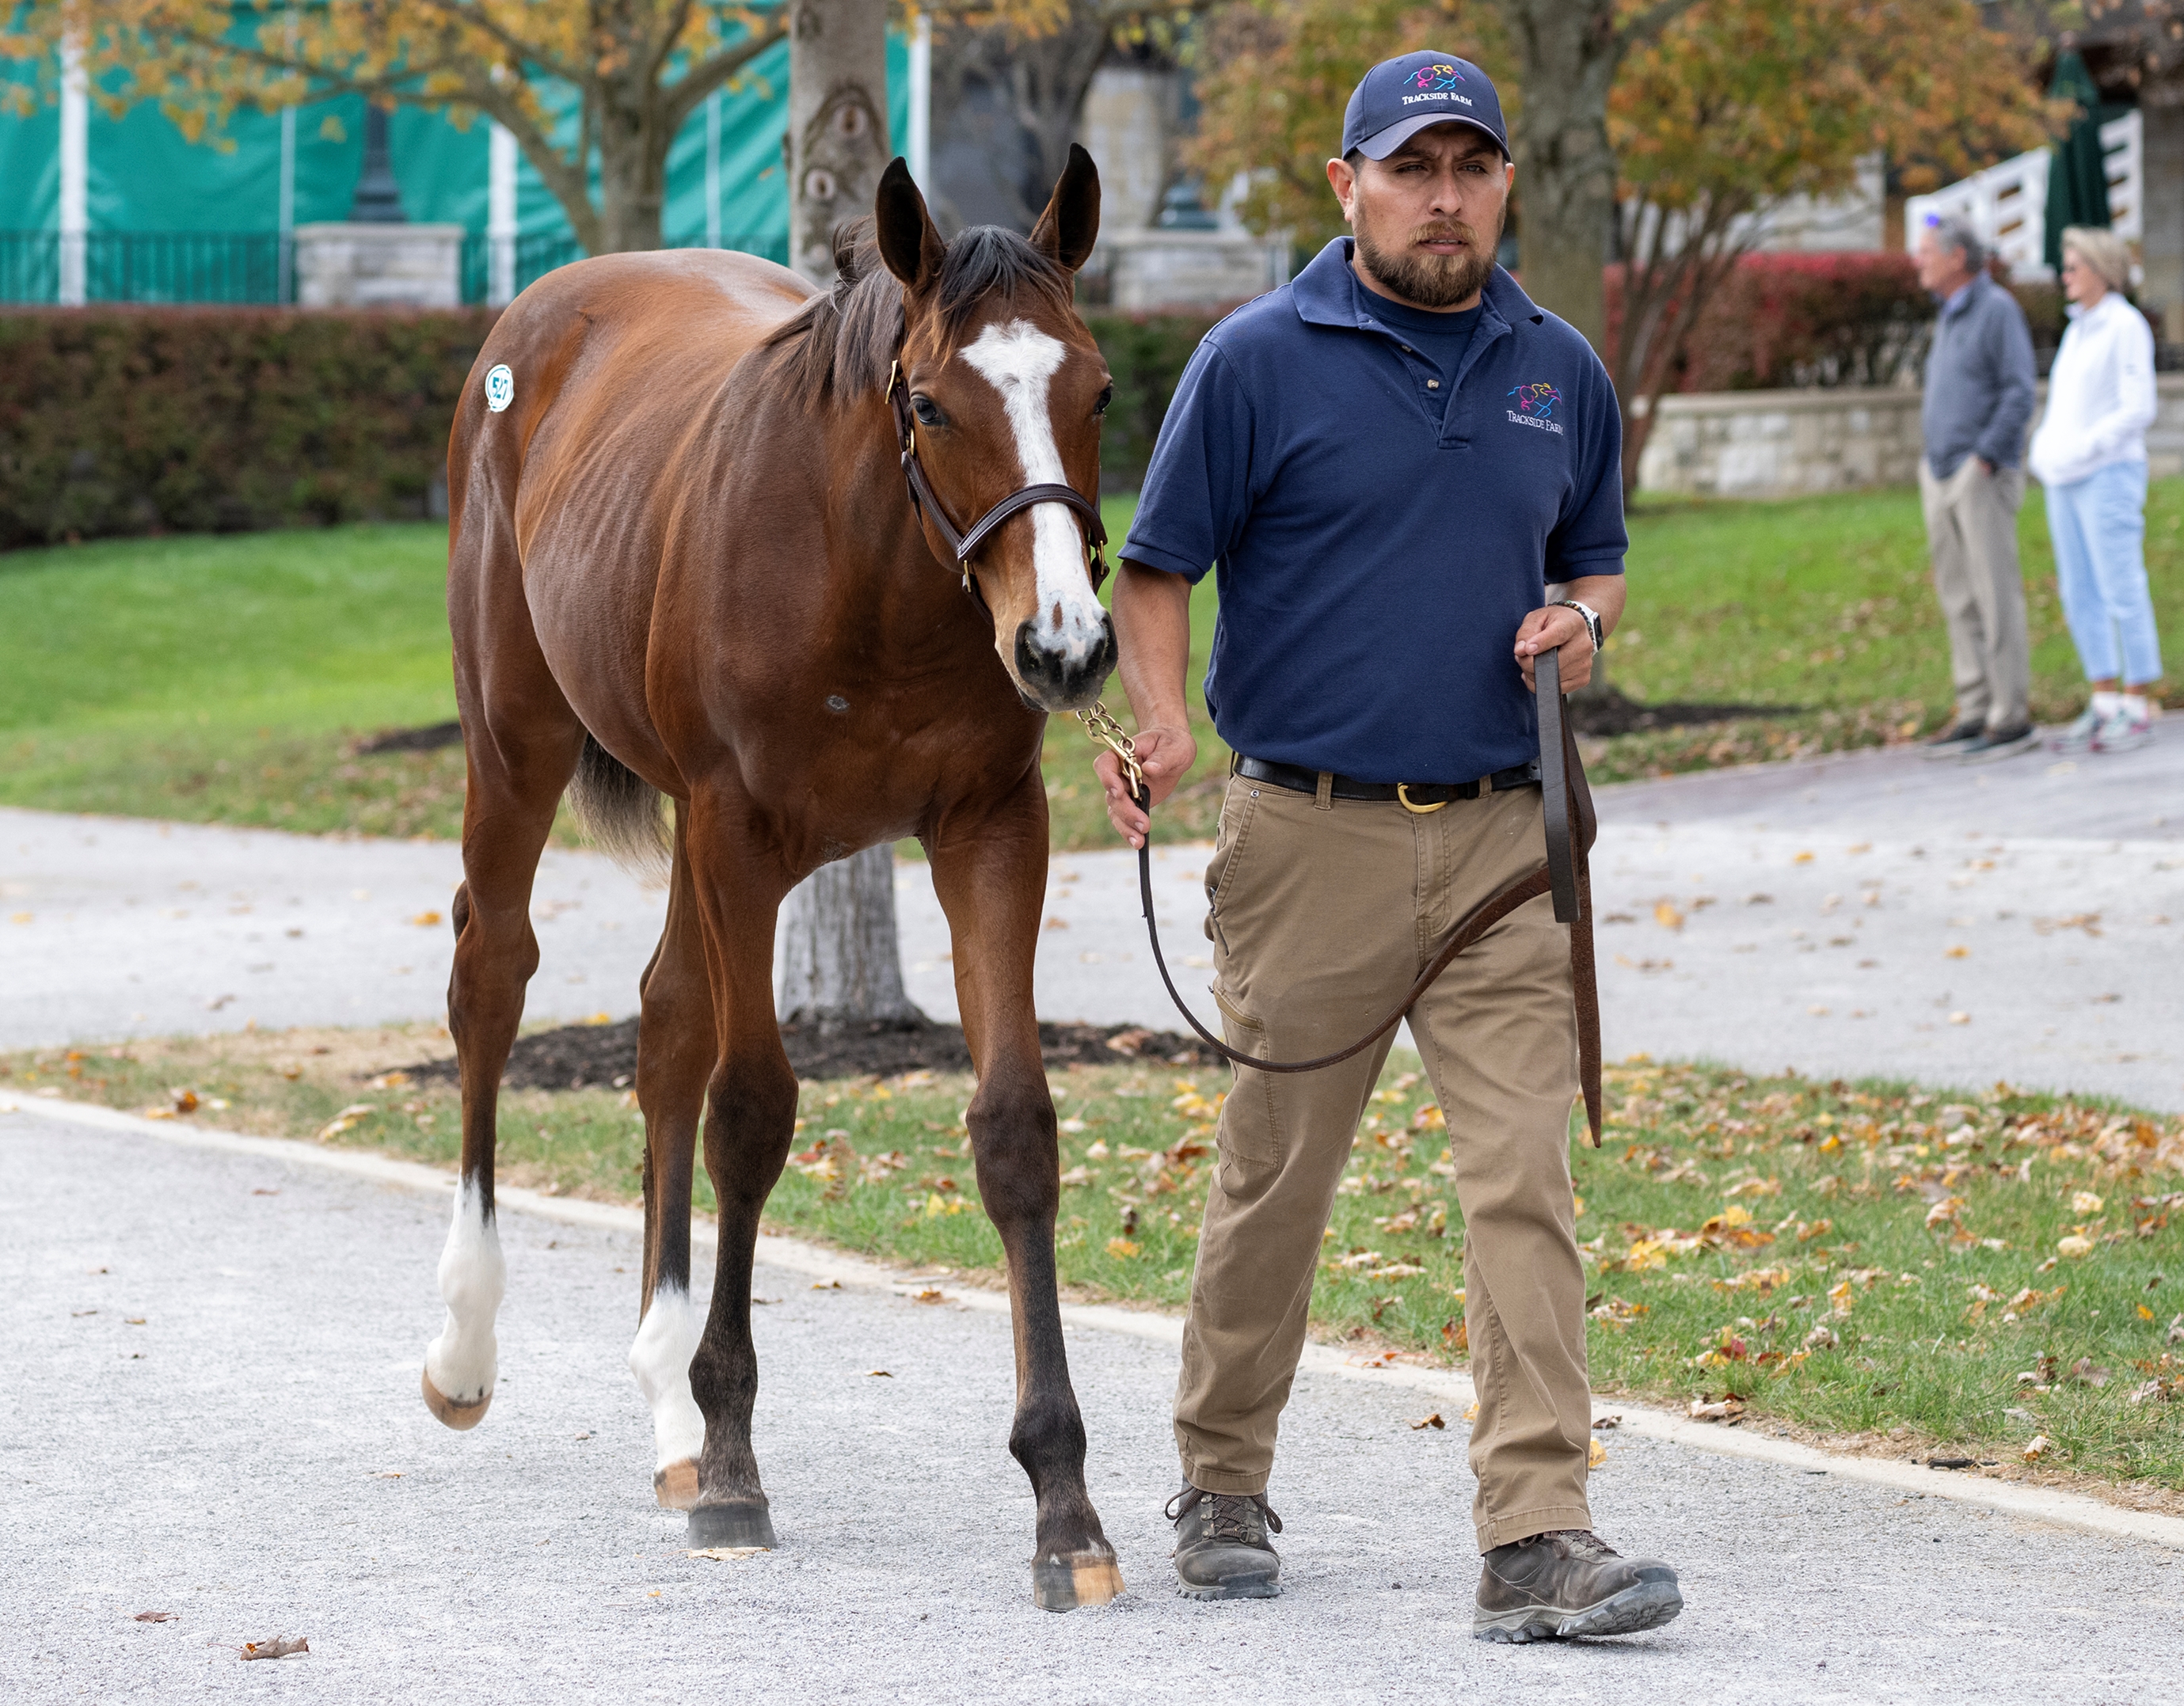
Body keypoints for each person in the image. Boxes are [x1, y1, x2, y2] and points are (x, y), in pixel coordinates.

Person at [1091, 50, 1682, 1643]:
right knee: (1276, 1176)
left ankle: (1535, 1531)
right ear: (1345, 184)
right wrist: (1160, 718)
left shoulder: (1558, 364)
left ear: (1500, 183)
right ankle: (1218, 1477)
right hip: (1308, 835)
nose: (1443, 195)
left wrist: (1578, 620)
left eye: (1468, 166)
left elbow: (1599, 559)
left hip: (1505, 846)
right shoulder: (1252, 362)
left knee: (1522, 1180)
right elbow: (1154, 569)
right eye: (1410, 167)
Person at [2030, 226, 2164, 752]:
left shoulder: (2124, 325)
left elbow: (2137, 407)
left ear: (2101, 270)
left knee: (2120, 584)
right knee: (2077, 589)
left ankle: (2137, 697)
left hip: (2108, 473)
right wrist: (2046, 449)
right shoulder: (2078, 329)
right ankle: (2103, 695)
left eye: (2073, 267)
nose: (2064, 276)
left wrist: (2086, 448)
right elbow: (2065, 404)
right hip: (2065, 477)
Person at [1914, 211, 2040, 761]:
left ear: (1957, 257)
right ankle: (1975, 707)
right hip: (1938, 472)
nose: (1918, 260)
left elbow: (2019, 392)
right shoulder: (1949, 314)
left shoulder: (1996, 310)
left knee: (1995, 593)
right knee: (1958, 595)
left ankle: (2010, 714)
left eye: (1926, 251)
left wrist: (1985, 458)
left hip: (1979, 474)